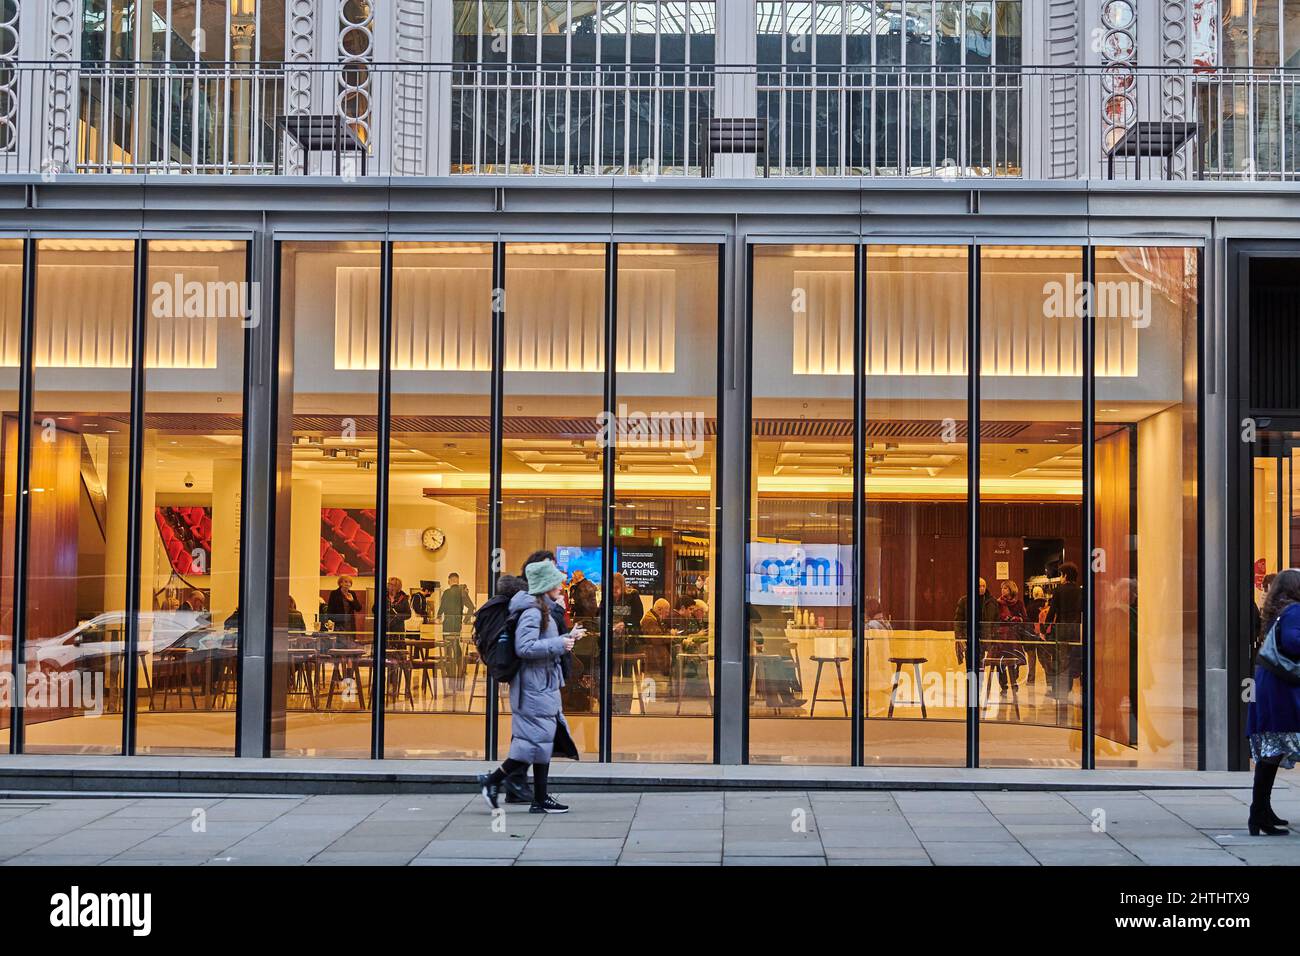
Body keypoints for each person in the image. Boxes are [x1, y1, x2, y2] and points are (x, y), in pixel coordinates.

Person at [478, 559, 583, 814]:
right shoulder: (533, 613)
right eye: (556, 583)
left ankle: (539, 799)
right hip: (533, 688)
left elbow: (543, 644)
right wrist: (560, 643)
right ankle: (493, 782)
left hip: (542, 686)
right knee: (532, 745)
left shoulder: (542, 610)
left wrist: (568, 638)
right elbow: (524, 648)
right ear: (545, 586)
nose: (561, 586)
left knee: (540, 745)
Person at [1245, 568, 1300, 836]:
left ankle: (1260, 812)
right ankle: (1259, 814)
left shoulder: (1277, 611)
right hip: (1280, 690)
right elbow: (1293, 642)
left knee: (1272, 752)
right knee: (1273, 751)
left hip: (1270, 685)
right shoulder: (1294, 611)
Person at [1046, 563, 1083, 702]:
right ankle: (1069, 688)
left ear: (1065, 575)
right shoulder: (1080, 591)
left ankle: (1059, 692)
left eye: (1061, 574)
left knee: (1060, 662)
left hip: (1061, 632)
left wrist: (1044, 629)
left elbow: (1052, 613)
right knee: (1072, 660)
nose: (1060, 578)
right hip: (1076, 631)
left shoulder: (1059, 591)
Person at [953, 578, 998, 668]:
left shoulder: (992, 601)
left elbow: (996, 620)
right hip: (969, 637)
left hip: (985, 637)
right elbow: (958, 621)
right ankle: (972, 681)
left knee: (981, 665)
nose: (982, 588)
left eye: (983, 586)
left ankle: (979, 682)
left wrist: (994, 637)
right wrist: (959, 637)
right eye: (979, 586)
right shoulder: (964, 601)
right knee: (970, 663)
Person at [992, 580, 1028, 691]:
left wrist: (1017, 619)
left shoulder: (1018, 603)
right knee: (1000, 662)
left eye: (1005, 588)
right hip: (1001, 636)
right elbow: (995, 619)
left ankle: (1014, 681)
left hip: (1014, 636)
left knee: (1013, 660)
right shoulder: (998, 603)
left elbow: (1025, 618)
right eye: (1002, 588)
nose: (1003, 590)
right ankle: (1003, 685)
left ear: (1011, 589)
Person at [323, 575, 363, 645]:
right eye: (346, 582)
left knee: (350, 644)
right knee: (339, 644)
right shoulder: (334, 593)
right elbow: (330, 610)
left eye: (350, 582)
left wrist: (352, 600)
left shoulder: (352, 593)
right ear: (340, 583)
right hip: (338, 624)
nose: (348, 584)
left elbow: (358, 608)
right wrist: (330, 622)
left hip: (349, 624)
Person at [435, 572, 476, 638]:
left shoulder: (446, 592)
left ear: (449, 581)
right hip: (457, 623)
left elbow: (442, 607)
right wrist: (465, 620)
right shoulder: (462, 592)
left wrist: (438, 617)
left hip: (447, 623)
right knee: (456, 642)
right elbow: (471, 607)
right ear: (458, 580)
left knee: (447, 643)